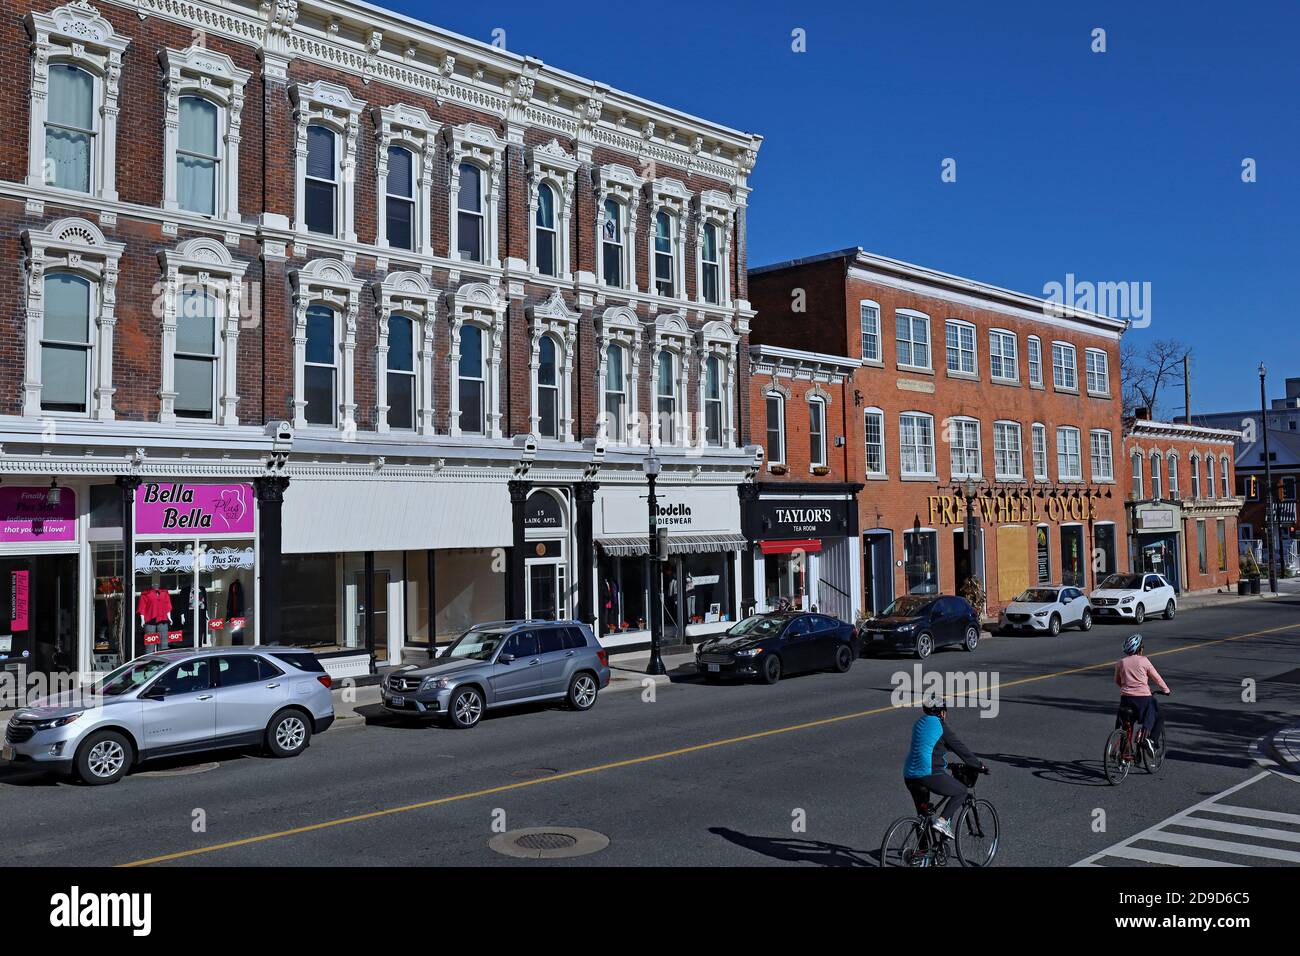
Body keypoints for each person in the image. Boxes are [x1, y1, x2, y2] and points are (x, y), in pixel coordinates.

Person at [903, 694, 987, 839]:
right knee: (961, 791)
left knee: (923, 816)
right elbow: (960, 748)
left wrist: (948, 765)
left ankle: (921, 855)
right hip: (928, 774)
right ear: (942, 712)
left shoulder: (919, 724)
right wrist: (979, 765)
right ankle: (942, 821)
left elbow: (927, 750)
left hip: (909, 775)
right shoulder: (940, 726)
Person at [1115, 634, 1171, 754]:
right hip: (1143, 700)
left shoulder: (1121, 662)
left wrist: (1126, 688)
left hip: (1125, 699)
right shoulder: (1144, 661)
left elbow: (1117, 680)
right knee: (1159, 714)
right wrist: (1166, 690)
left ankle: (1123, 754)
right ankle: (1150, 740)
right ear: (1139, 648)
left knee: (1127, 724)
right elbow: (1157, 678)